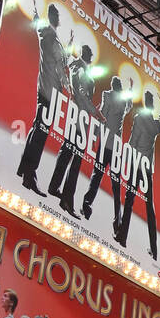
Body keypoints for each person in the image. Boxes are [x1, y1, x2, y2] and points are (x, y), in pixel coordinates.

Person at [17, 3, 69, 197]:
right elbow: (59, 66)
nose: (58, 18)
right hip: (51, 91)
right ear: (55, 18)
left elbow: (37, 24)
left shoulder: (44, 33)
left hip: (44, 88)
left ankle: (25, 169)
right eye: (57, 15)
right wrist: (67, 84)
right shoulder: (52, 37)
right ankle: (29, 175)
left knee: (37, 128)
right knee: (41, 132)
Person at [49, 44, 99, 218]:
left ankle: (54, 186)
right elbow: (81, 94)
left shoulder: (75, 66)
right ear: (88, 55)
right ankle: (67, 200)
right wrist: (96, 112)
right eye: (90, 54)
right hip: (80, 117)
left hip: (75, 114)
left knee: (66, 151)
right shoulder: (81, 70)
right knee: (76, 159)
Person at [115, 89, 160, 259]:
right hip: (147, 169)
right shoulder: (155, 123)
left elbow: (132, 141)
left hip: (137, 165)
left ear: (145, 103)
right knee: (149, 207)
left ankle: (122, 238)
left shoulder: (140, 119)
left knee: (129, 201)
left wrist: (124, 157)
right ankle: (155, 250)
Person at [82, 74, 134, 230]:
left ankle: (87, 203)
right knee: (115, 182)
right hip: (114, 145)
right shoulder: (123, 101)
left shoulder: (108, 95)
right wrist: (130, 89)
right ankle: (116, 220)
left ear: (112, 85)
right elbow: (128, 106)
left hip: (106, 142)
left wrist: (95, 132)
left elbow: (102, 113)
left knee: (97, 174)